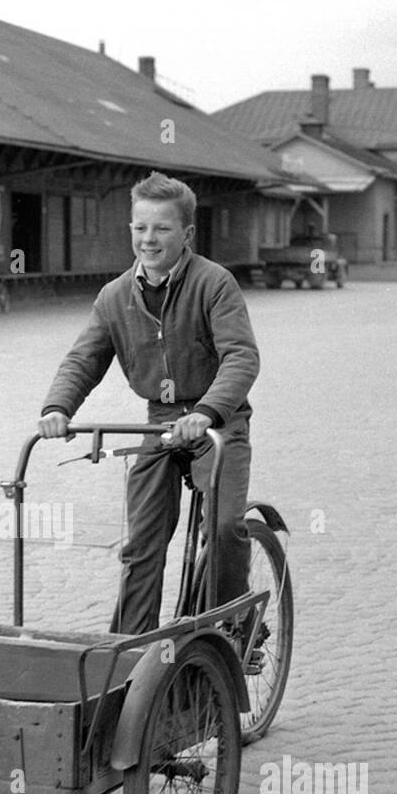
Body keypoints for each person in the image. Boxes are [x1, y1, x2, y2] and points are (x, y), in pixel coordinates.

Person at [38, 171, 259, 636]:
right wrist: (57, 408)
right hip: (157, 426)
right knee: (140, 545)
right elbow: (85, 357)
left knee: (222, 530)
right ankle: (132, 652)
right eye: (140, 228)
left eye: (161, 228)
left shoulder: (214, 284)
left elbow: (241, 357)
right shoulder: (115, 296)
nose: (149, 239)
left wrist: (206, 412)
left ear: (187, 234)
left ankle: (232, 625)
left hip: (219, 423)